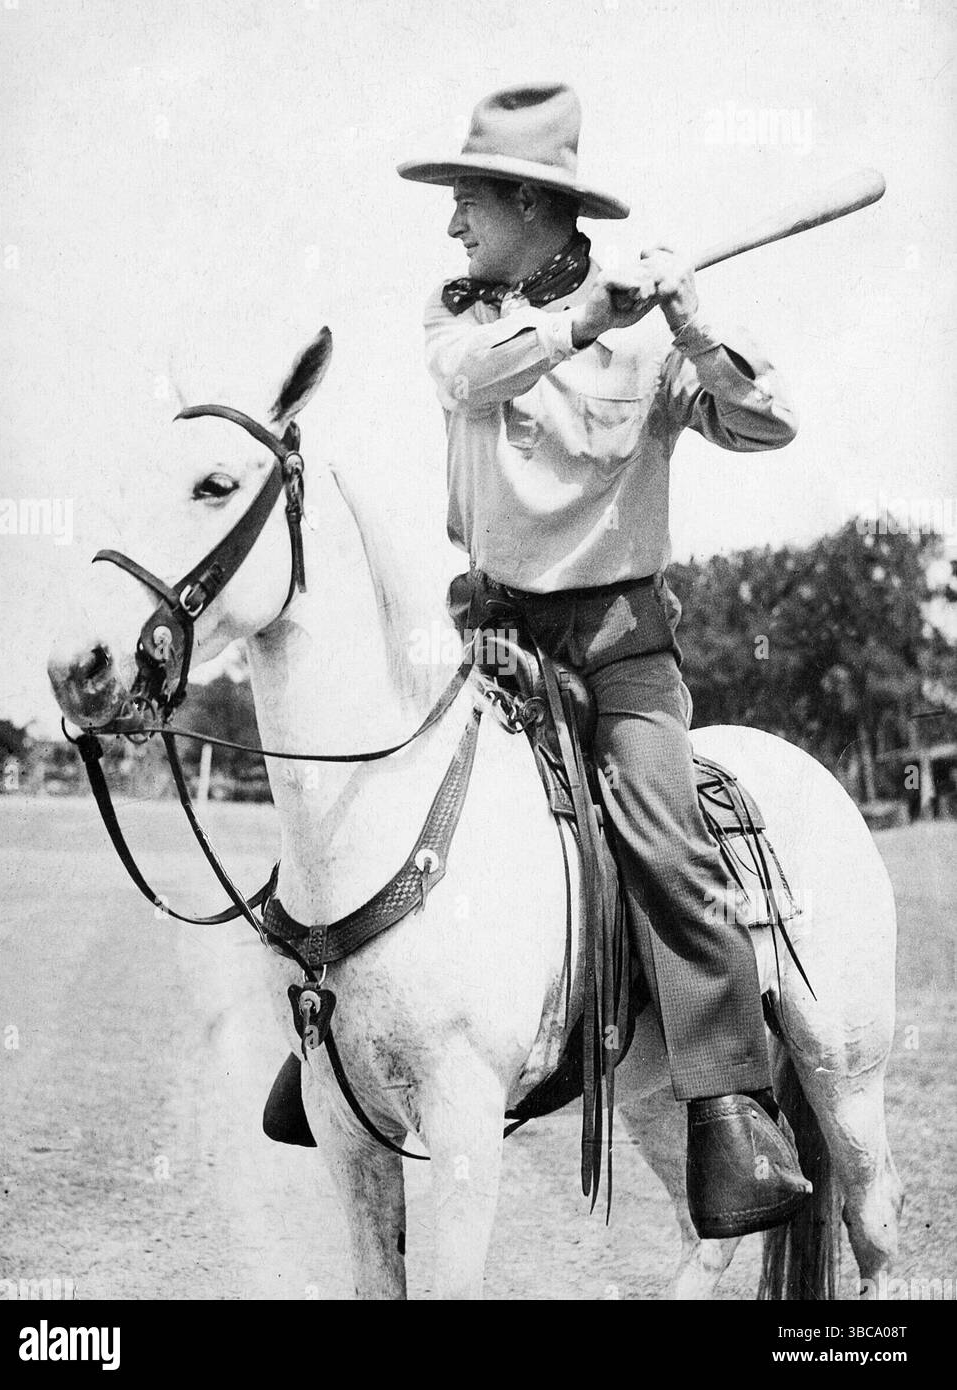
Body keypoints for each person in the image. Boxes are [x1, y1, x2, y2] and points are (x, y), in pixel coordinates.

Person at [395, 82, 811, 1238]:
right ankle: (340, 1041)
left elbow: (771, 418)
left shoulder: (653, 332)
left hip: (618, 642)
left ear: (530, 203)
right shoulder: (460, 307)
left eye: (467, 200)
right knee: (364, 792)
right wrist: (584, 319)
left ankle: (731, 1107)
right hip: (483, 630)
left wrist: (686, 318)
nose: (450, 226)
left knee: (668, 843)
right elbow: (466, 377)